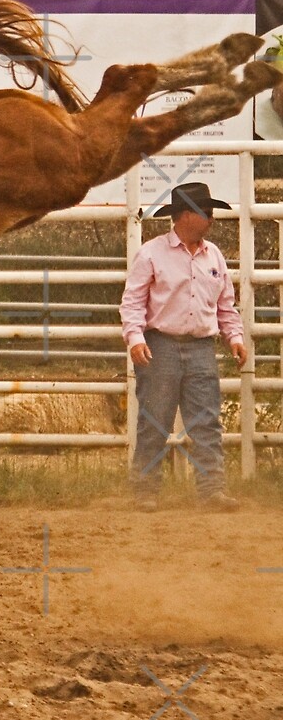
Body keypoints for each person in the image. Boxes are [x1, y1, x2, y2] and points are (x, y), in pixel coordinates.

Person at [119, 181, 247, 513]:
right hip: (159, 344)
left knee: (205, 419)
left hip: (201, 345)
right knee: (156, 419)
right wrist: (135, 339)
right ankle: (146, 490)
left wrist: (234, 337)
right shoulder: (151, 253)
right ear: (186, 215)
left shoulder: (213, 255)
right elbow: (132, 304)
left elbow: (225, 306)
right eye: (206, 212)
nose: (212, 218)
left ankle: (211, 489)